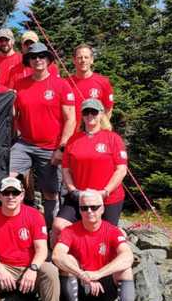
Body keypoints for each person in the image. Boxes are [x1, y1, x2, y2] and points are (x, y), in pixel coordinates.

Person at [51, 191, 141, 301]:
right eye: (84, 208)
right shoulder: (70, 231)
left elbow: (128, 257)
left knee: (125, 269)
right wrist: (83, 275)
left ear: (102, 209)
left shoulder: (112, 231)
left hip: (103, 286)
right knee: (67, 260)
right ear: (79, 210)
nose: (89, 211)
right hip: (79, 287)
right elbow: (57, 256)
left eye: (94, 207)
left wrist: (97, 274)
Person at [11, 42, 76, 229]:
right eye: (33, 57)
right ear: (28, 61)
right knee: (6, 178)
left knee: (50, 193)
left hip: (50, 147)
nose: (37, 59)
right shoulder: (20, 84)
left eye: (41, 56)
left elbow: (71, 119)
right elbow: (14, 114)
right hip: (25, 144)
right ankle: (16, 225)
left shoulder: (61, 84)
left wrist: (61, 148)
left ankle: (50, 233)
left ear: (48, 60)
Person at [53, 98, 128, 237]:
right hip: (80, 196)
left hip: (108, 198)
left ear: (101, 114)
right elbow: (65, 169)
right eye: (86, 112)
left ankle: (121, 237)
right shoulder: (73, 139)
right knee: (59, 226)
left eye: (93, 112)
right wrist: (73, 191)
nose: (89, 116)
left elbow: (121, 169)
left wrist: (105, 192)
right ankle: (56, 256)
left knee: (105, 234)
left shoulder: (113, 138)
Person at [66, 44, 115, 118]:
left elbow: (108, 109)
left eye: (86, 57)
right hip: (72, 129)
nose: (83, 60)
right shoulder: (65, 83)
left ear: (92, 60)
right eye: (79, 57)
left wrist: (101, 128)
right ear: (74, 60)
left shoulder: (103, 82)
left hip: (94, 129)